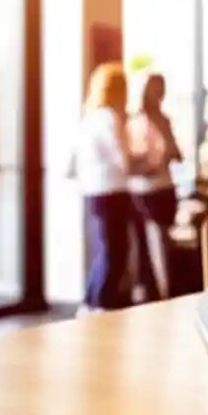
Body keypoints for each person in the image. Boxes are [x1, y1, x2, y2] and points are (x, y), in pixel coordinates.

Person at [73, 63, 142, 311]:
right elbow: (122, 159)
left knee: (103, 251)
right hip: (113, 191)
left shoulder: (89, 118)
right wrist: (143, 161)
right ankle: (102, 305)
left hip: (92, 193)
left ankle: (89, 303)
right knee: (116, 253)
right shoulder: (110, 118)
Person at [128, 72, 182, 301]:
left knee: (161, 244)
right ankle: (155, 293)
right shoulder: (135, 122)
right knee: (146, 247)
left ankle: (164, 294)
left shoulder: (163, 120)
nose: (159, 93)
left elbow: (176, 153)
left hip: (162, 188)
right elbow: (130, 160)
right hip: (143, 190)